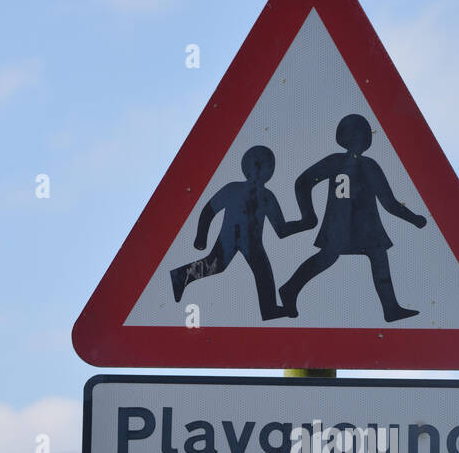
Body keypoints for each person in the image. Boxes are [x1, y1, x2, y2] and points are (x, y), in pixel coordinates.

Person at [278, 114, 425, 322]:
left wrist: (414, 219)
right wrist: (308, 216)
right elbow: (303, 182)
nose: (362, 138)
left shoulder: (369, 165)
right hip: (340, 223)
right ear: (345, 137)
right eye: (357, 133)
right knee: (329, 256)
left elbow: (389, 202)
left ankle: (391, 309)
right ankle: (290, 289)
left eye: (364, 133)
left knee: (378, 256)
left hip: (366, 225)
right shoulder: (337, 161)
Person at [170, 146, 310, 320]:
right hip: (230, 237)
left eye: (265, 166)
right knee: (217, 265)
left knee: (262, 272)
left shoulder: (268, 196)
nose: (260, 170)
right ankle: (181, 274)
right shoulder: (233, 189)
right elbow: (209, 211)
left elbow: (281, 229)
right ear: (247, 168)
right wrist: (201, 237)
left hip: (253, 242)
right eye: (257, 165)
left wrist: (304, 224)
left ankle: (269, 309)